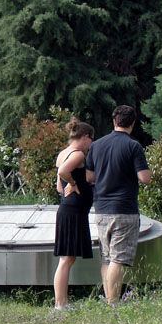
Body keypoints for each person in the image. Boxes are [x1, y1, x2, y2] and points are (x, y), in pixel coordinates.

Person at [85, 105, 152, 305]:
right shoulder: (133, 146)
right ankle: (113, 303)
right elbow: (144, 178)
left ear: (114, 121)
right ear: (133, 123)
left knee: (106, 258)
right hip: (124, 209)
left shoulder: (97, 145)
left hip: (101, 208)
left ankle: (109, 300)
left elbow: (89, 176)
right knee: (118, 259)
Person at [53, 118, 96, 310]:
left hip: (68, 208)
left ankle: (61, 302)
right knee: (67, 259)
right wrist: (74, 183)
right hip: (73, 210)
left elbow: (58, 186)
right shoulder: (77, 154)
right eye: (91, 140)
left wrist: (68, 185)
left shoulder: (63, 153)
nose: (91, 145)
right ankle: (61, 303)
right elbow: (64, 172)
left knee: (67, 259)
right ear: (85, 137)